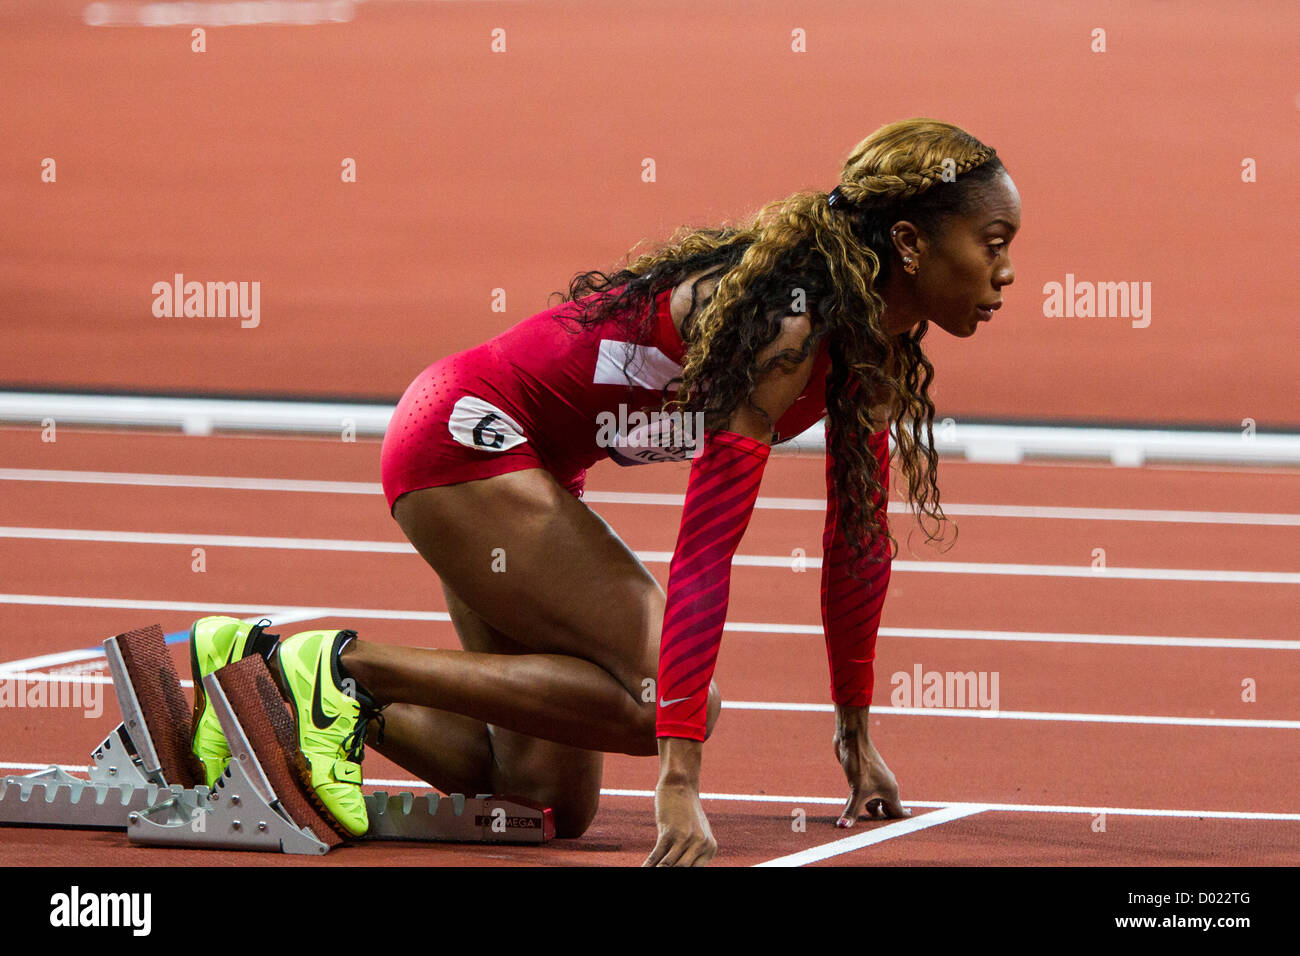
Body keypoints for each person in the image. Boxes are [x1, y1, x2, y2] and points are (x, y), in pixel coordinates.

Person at [188, 117, 1020, 865]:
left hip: (535, 470)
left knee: (544, 800)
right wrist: (679, 777)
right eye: (993, 241)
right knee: (658, 703)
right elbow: (705, 550)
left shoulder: (875, 350)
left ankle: (263, 675)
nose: (1008, 272)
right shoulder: (785, 328)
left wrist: (854, 729)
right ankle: (337, 665)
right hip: (467, 435)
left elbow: (856, 547)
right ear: (910, 242)